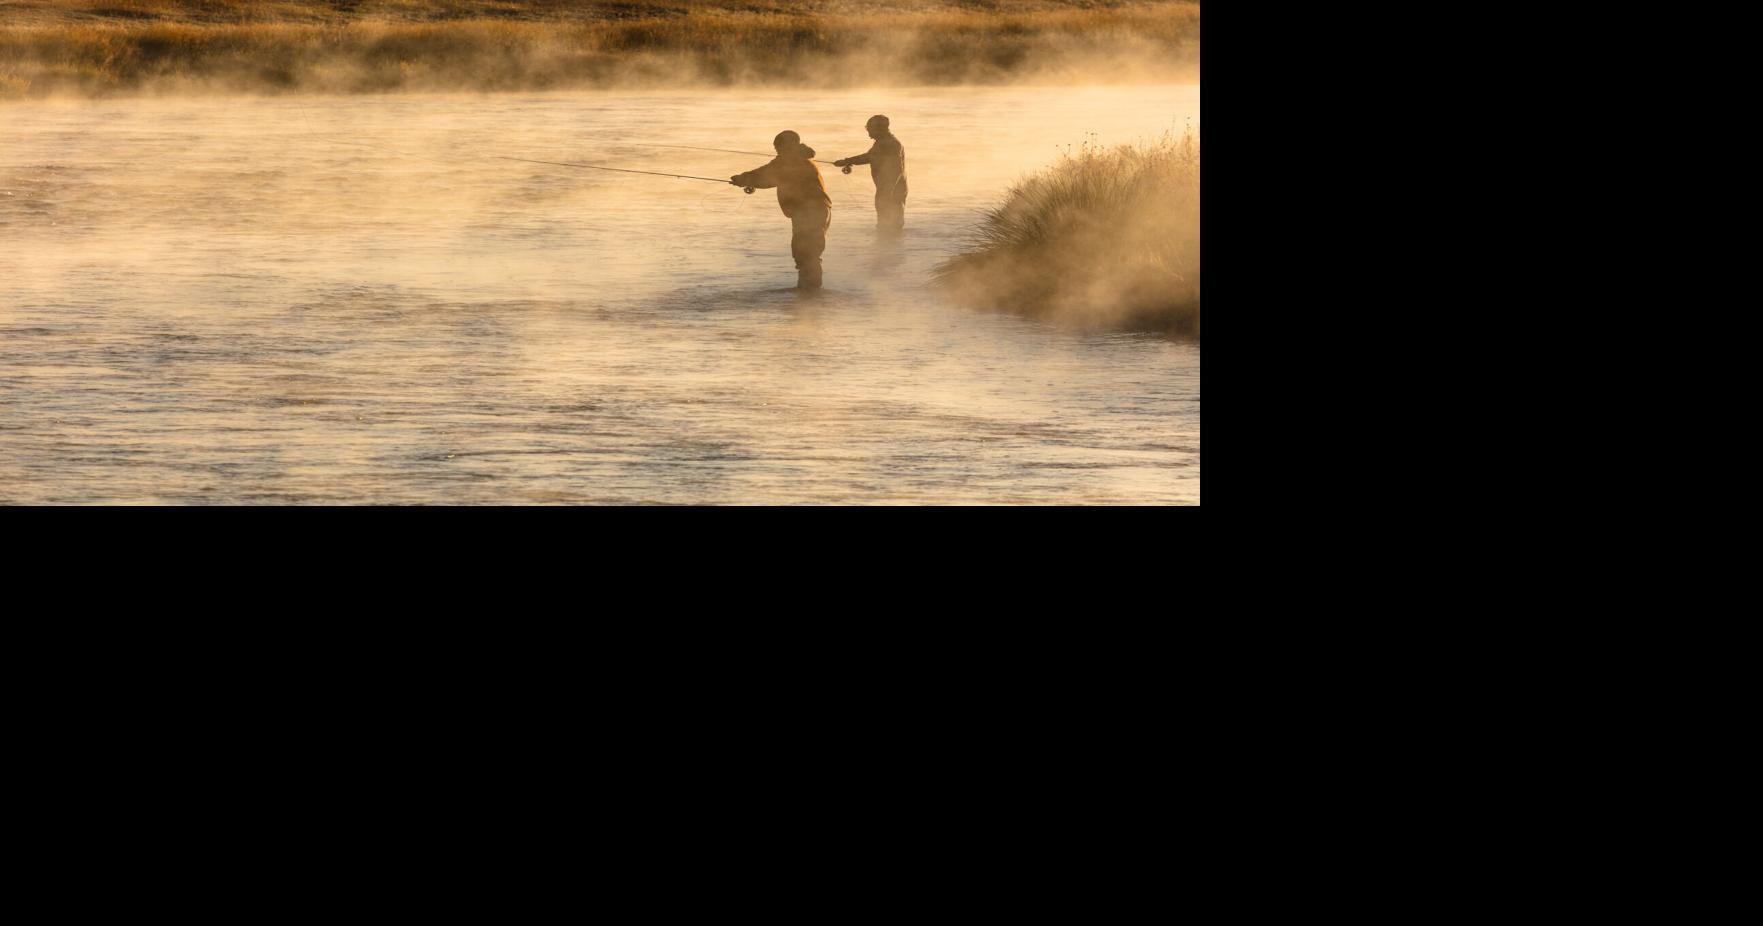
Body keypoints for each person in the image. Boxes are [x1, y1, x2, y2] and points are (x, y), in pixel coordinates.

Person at [731, 131, 833, 291]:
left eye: (778, 147)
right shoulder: (799, 159)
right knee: (804, 251)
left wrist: (742, 179)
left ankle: (810, 293)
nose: (777, 150)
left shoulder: (790, 161)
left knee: (807, 251)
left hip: (810, 211)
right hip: (812, 210)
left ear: (788, 146)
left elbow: (766, 174)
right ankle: (809, 292)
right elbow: (769, 177)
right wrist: (746, 180)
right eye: (776, 147)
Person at [833, 115, 907, 234]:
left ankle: (888, 246)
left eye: (869, 129)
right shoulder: (884, 142)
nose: (868, 132)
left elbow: (870, 157)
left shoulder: (889, 143)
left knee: (888, 222)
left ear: (879, 129)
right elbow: (871, 157)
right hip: (890, 187)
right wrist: (848, 161)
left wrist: (847, 161)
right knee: (890, 223)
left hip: (890, 187)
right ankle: (892, 247)